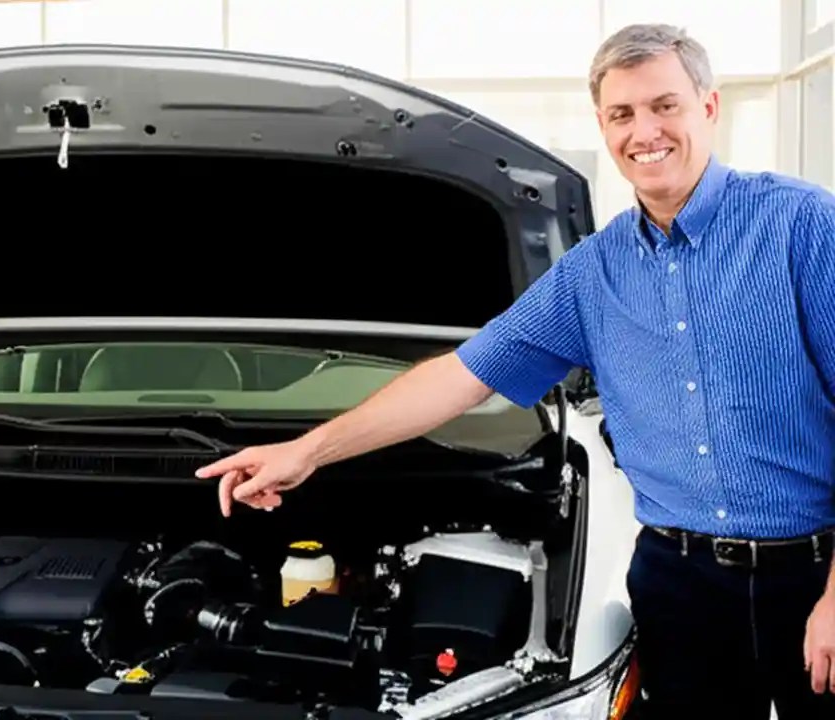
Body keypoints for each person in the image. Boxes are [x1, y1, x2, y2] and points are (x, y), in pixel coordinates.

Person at [195, 23, 835, 719]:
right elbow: (463, 376)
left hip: (816, 568)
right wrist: (306, 451)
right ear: (601, 124)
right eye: (622, 114)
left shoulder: (801, 228)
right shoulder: (593, 273)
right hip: (677, 582)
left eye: (664, 105)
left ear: (708, 108)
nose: (643, 131)